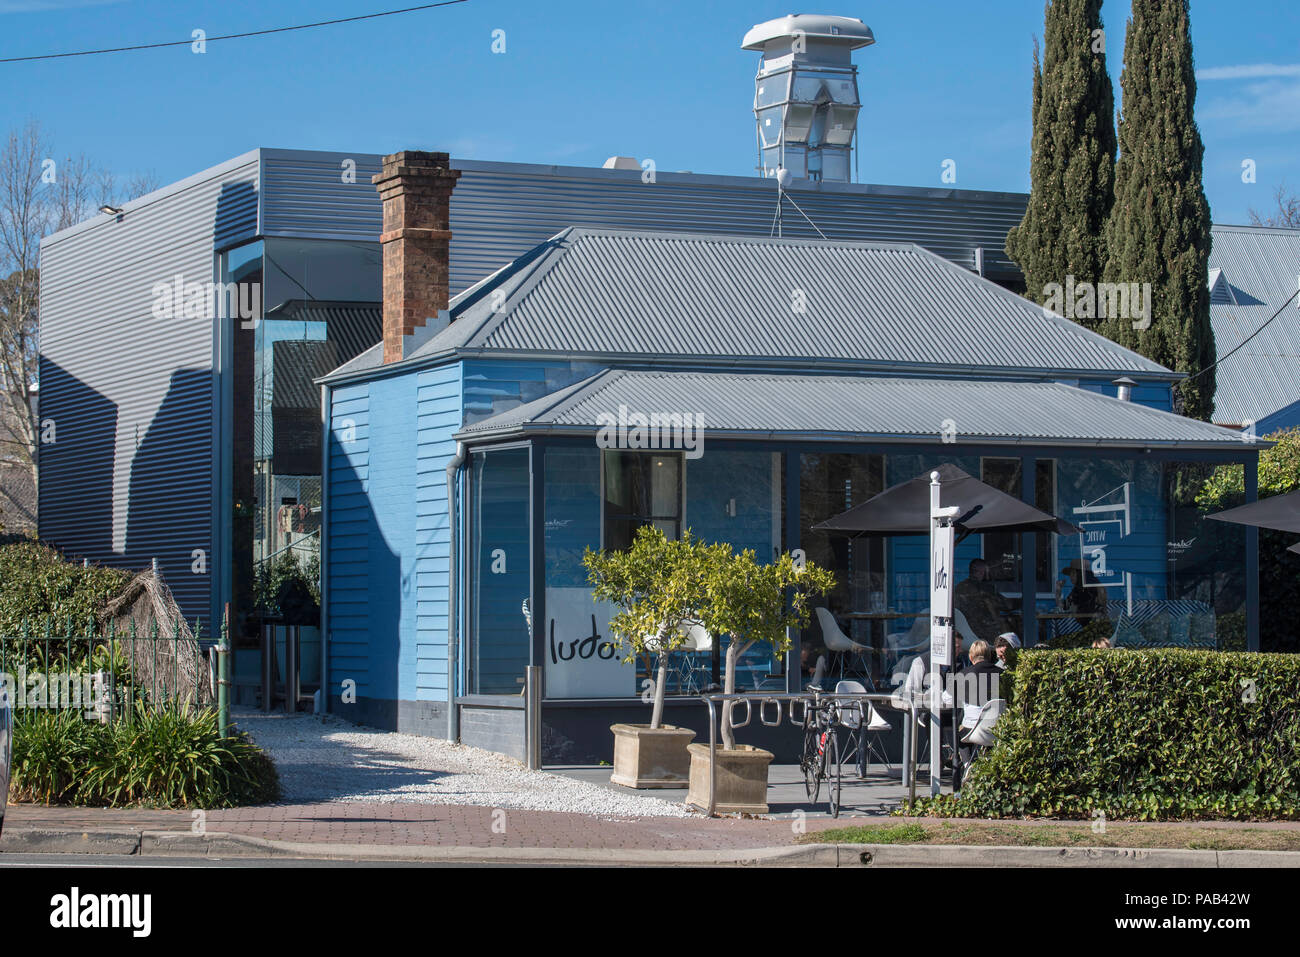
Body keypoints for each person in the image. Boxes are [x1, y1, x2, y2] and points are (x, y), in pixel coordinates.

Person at [954, 558, 1012, 643]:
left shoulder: (959, 587)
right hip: (984, 632)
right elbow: (1007, 605)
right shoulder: (985, 589)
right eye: (984, 572)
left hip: (965, 632)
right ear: (982, 572)